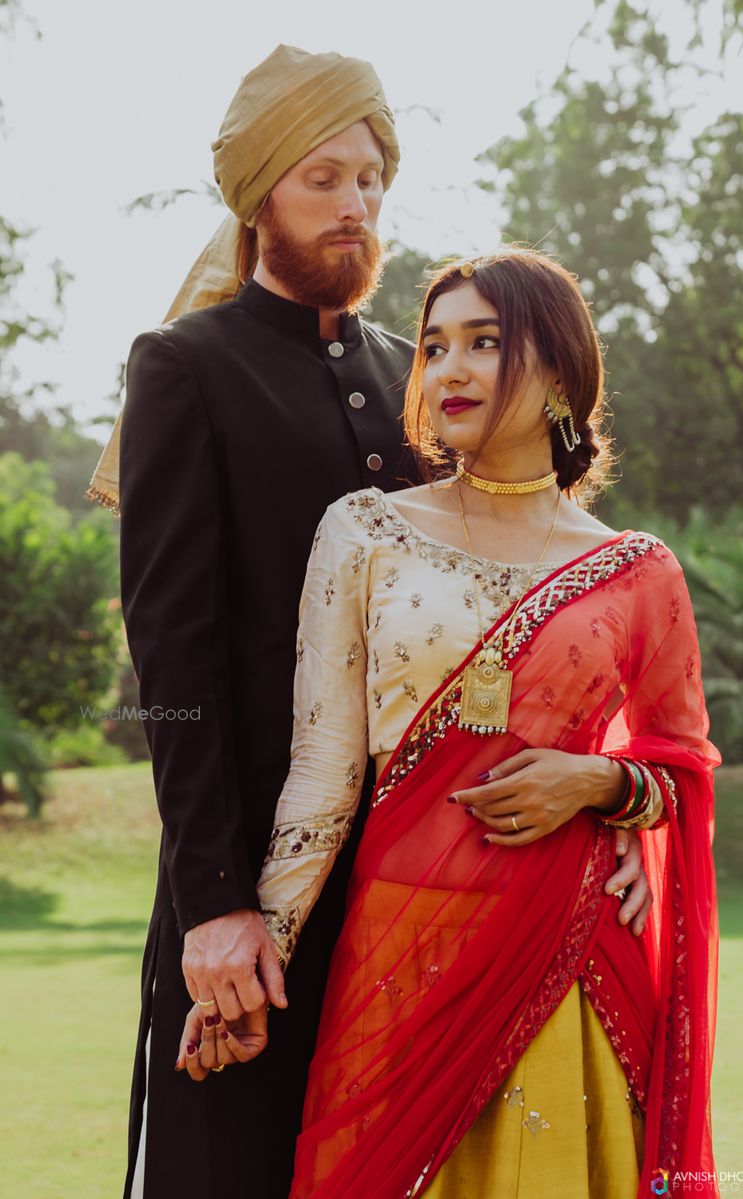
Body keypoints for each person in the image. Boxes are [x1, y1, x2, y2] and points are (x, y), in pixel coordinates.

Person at [92, 43, 653, 1197]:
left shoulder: (425, 373)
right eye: (323, 180)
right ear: (258, 200)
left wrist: (613, 797)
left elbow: (536, 592)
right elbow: (175, 659)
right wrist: (213, 904)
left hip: (428, 899)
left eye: (371, 180)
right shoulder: (184, 368)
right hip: (250, 897)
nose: (355, 207)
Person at [179, 248, 720, 1198]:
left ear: (559, 369)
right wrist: (254, 955)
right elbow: (324, 773)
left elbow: (680, 766)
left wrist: (599, 780)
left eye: (484, 342)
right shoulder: (366, 531)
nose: (448, 370)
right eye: (432, 348)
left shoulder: (639, 570)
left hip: (574, 957)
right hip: (403, 948)